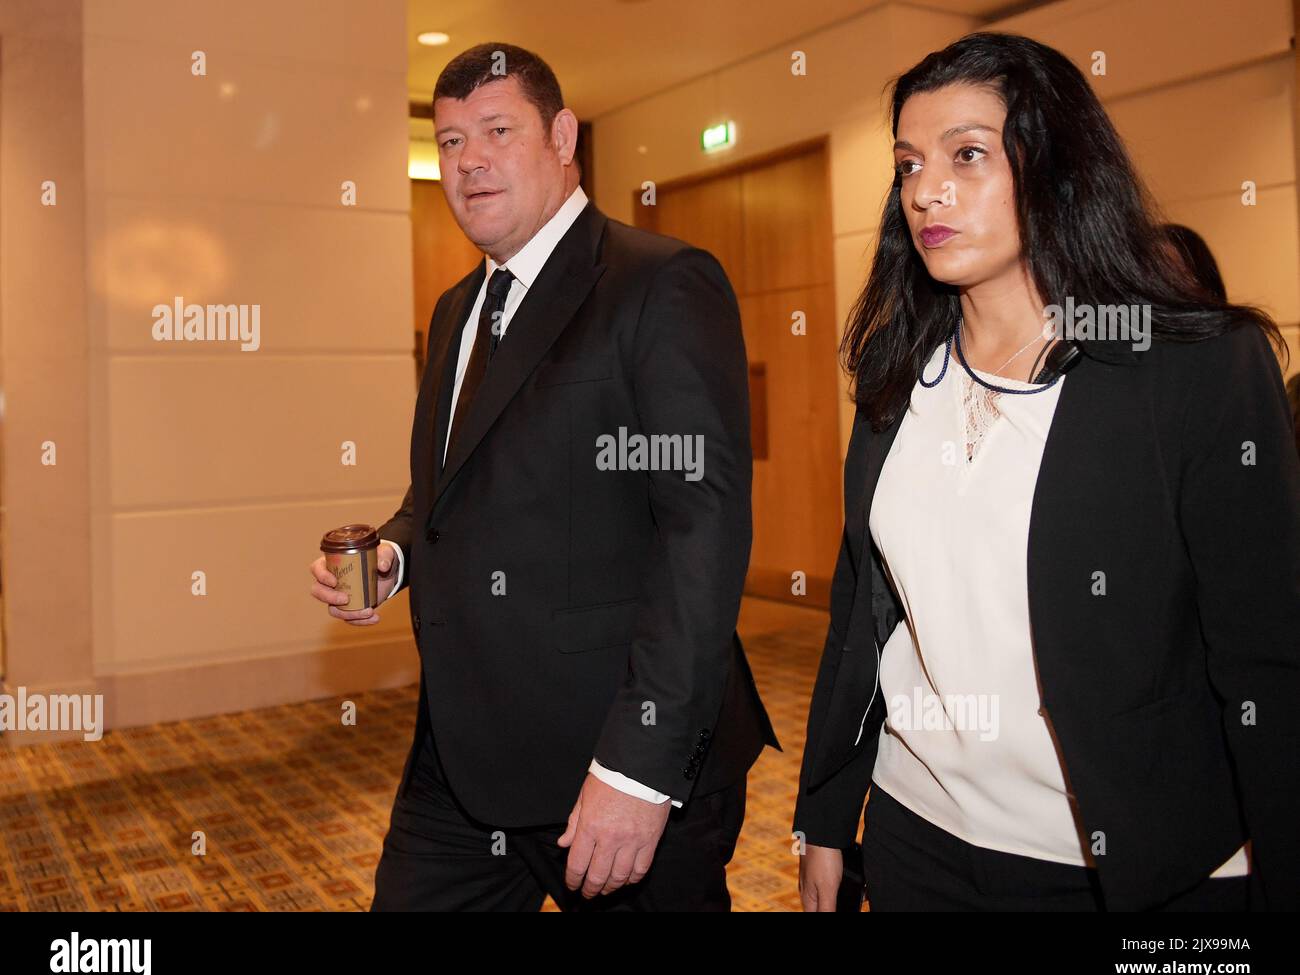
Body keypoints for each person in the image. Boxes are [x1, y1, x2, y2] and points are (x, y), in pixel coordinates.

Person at [795, 31, 1299, 912]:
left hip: (1127, 862)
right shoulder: (895, 370)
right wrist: (828, 817)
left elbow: (1267, 657)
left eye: (968, 155)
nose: (927, 191)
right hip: (921, 834)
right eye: (908, 164)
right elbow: (861, 615)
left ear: (1059, 169)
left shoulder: (1196, 371)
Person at [310, 42, 778, 911]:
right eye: (449, 142)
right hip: (461, 759)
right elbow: (445, 492)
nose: (469, 161)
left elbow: (701, 538)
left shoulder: (659, 284)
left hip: (613, 767)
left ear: (563, 136)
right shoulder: (458, 308)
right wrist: (398, 554)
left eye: (496, 130)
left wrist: (639, 768)